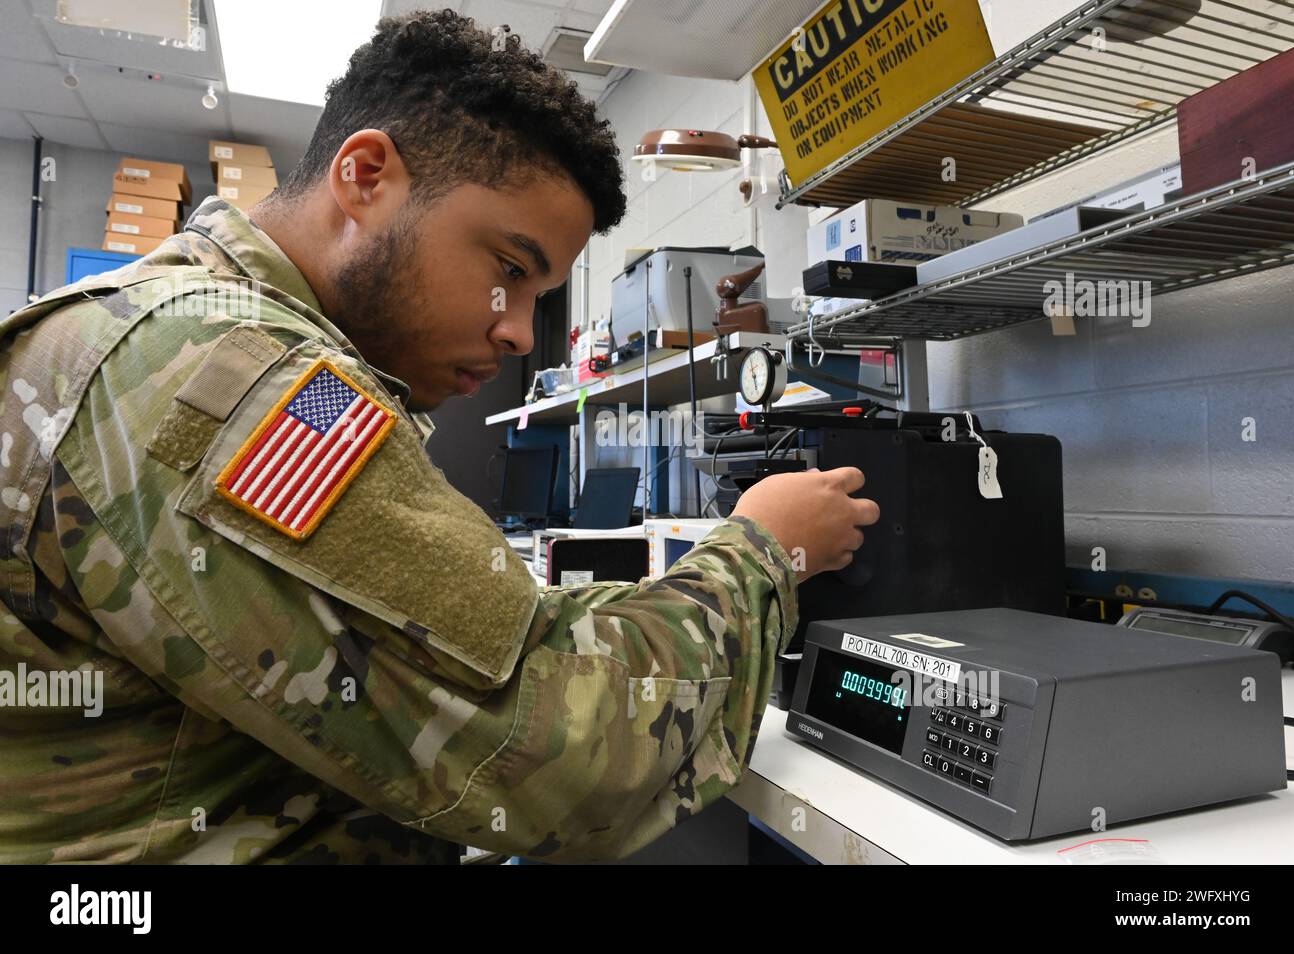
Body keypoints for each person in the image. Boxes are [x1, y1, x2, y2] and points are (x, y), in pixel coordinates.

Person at [0, 9, 877, 863]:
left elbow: (490, 640)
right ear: (366, 177)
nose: (520, 334)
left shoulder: (181, 329)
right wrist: (760, 551)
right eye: (508, 270)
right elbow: (559, 753)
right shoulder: (227, 379)